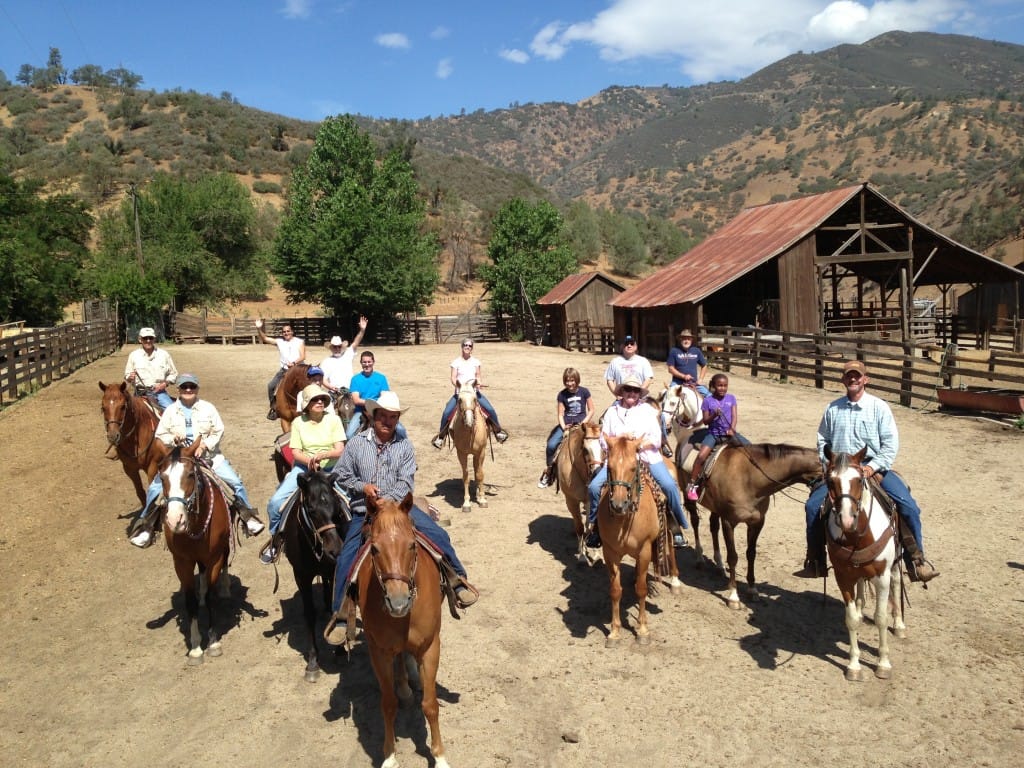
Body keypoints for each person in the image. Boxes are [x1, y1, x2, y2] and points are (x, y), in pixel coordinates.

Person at [325, 390, 478, 645]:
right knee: (346, 557)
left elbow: (406, 480)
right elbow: (340, 475)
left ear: (398, 419)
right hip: (365, 511)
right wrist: (363, 487)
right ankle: (341, 615)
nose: (388, 422)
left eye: (393, 417)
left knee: (438, 534)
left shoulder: (404, 446)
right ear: (373, 416)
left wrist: (389, 501)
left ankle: (457, 580)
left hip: (400, 510)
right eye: (383, 416)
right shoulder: (356, 444)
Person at [798, 360, 939, 582]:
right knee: (813, 507)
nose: (852, 379)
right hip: (841, 472)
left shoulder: (879, 407)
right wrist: (830, 466)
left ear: (866, 379)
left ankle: (916, 561)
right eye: (848, 376)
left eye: (857, 376)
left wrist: (874, 467)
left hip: (873, 468)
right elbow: (822, 438)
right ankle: (816, 560)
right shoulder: (832, 408)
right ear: (843, 379)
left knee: (908, 506)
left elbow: (890, 444)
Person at [129, 373, 263, 548]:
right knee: (155, 488)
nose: (188, 390)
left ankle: (248, 517)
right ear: (178, 390)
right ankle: (146, 525)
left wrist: (205, 445)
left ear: (197, 389)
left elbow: (218, 430)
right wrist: (172, 438)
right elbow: (160, 435)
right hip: (179, 459)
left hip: (208, 457)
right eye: (184, 387)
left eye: (192, 387)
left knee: (235, 482)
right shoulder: (170, 411)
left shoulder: (208, 408)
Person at [585, 375, 689, 549]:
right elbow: (604, 441)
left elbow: (657, 439)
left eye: (635, 390)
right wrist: (621, 439)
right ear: (622, 392)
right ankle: (595, 526)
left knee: (669, 486)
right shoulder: (612, 412)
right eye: (628, 390)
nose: (631, 393)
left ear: (640, 393)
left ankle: (677, 526)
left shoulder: (648, 411)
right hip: (619, 459)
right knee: (594, 487)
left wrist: (637, 445)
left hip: (647, 456)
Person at [261, 384, 345, 563]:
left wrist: (323, 455)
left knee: (349, 502)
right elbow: (296, 452)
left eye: (322, 399)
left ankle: (353, 542)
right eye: (315, 399)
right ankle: (276, 540)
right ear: (306, 404)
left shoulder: (334, 420)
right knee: (275, 503)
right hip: (304, 468)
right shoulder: (298, 423)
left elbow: (339, 449)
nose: (320, 402)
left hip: (330, 468)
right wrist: (310, 461)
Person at [430, 338, 509, 448]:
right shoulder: (455, 362)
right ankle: (441, 437)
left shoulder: (476, 362)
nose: (467, 347)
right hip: (460, 393)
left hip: (474, 393)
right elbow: (453, 378)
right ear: (462, 347)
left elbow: (478, 375)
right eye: (465, 345)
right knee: (447, 412)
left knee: (490, 409)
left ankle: (498, 432)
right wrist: (458, 385)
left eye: (470, 346)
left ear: (472, 348)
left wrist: (479, 382)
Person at [685, 373, 751, 501]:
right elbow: (705, 421)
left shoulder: (731, 398)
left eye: (725, 386)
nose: (723, 388)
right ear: (714, 387)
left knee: (750, 447)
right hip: (713, 434)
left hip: (729, 433)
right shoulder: (708, 401)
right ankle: (692, 484)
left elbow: (734, 416)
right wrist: (714, 415)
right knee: (701, 456)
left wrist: (732, 429)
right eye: (720, 386)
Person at [604, 334, 671, 457]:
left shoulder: (642, 361)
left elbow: (649, 378)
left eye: (631, 343)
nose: (629, 346)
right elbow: (609, 379)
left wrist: (639, 392)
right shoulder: (615, 361)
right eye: (626, 344)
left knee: (659, 417)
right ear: (622, 346)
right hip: (623, 396)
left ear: (635, 346)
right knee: (605, 417)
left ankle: (663, 442)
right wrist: (616, 393)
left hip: (640, 396)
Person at [537, 367, 595, 488]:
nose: (570, 383)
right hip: (567, 424)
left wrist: (583, 423)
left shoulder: (584, 392)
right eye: (567, 381)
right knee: (551, 445)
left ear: (577, 380)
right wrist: (564, 427)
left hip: (582, 424)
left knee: (595, 444)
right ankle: (549, 472)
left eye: (572, 380)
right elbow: (560, 414)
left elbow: (591, 410)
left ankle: (598, 472)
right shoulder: (562, 395)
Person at [255, 318, 305, 420]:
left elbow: (303, 356)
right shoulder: (279, 341)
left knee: (306, 386)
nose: (286, 333)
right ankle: (274, 408)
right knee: (271, 386)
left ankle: (309, 407)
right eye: (284, 332)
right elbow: (265, 339)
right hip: (284, 370)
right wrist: (259, 328)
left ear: (292, 332)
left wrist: (294, 363)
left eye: (288, 331)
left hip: (297, 369)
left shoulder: (299, 341)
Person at [124, 327, 178, 409]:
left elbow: (173, 374)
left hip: (159, 393)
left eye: (150, 338)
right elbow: (127, 376)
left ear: (154, 339)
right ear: (140, 339)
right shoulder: (133, 356)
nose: (148, 340)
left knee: (172, 412)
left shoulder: (164, 355)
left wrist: (165, 383)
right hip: (139, 394)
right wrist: (130, 377)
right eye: (145, 338)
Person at [346, 351, 392, 439]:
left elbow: (384, 396)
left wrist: (375, 405)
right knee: (349, 434)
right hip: (361, 411)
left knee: (400, 429)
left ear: (373, 362)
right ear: (361, 363)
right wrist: (373, 403)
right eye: (364, 362)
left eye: (369, 362)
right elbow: (356, 400)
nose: (367, 365)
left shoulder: (381, 378)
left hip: (379, 410)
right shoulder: (355, 379)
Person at [320, 316, 368, 392]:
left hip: (351, 390)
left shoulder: (347, 354)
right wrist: (331, 387)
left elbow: (356, 342)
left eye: (339, 347)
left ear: (341, 347)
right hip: (335, 392)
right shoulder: (326, 362)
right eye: (335, 347)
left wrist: (362, 330)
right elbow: (322, 379)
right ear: (331, 348)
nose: (337, 349)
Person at [667, 329, 710, 397]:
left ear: (691, 340)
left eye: (688, 339)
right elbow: (670, 369)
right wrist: (683, 376)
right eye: (684, 339)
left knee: (709, 396)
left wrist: (700, 379)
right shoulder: (674, 351)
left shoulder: (696, 351)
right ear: (680, 339)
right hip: (677, 382)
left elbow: (704, 365)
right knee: (668, 396)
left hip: (693, 383)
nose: (686, 341)